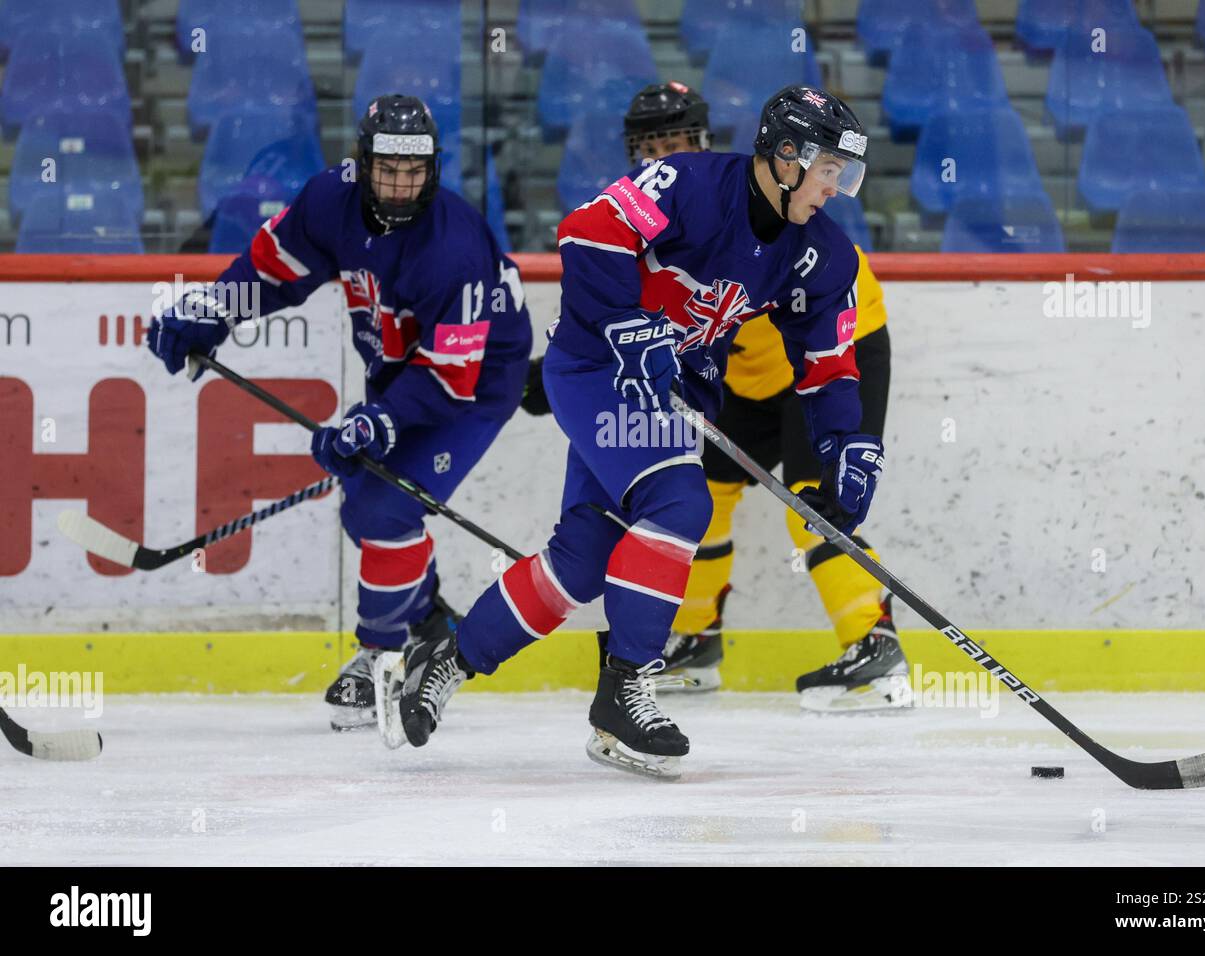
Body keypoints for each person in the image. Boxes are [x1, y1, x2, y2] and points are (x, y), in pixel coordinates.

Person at [399, 85, 880, 777]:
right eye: (829, 170)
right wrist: (628, 321)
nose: (836, 188)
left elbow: (829, 366)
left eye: (844, 174)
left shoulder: (822, 254)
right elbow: (588, 229)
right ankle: (625, 689)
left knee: (582, 561)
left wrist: (848, 446)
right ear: (783, 156)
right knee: (681, 502)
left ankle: (447, 658)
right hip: (598, 366)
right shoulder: (690, 183)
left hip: (674, 387)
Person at [145, 94, 532, 732]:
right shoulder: (331, 199)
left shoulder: (454, 246)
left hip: (475, 379)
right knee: (367, 499)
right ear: (362, 162)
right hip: (402, 363)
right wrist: (211, 313)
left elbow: (446, 379)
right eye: (388, 170)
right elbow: (271, 270)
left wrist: (376, 423)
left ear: (432, 170)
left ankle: (382, 653)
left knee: (384, 506)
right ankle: (430, 620)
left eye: (415, 173)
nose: (401, 187)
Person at [524, 82, 912, 712]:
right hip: (741, 375)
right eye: (649, 144)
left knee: (811, 501)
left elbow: (775, 322)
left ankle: (875, 641)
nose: (662, 153)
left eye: (674, 142)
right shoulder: (674, 204)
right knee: (709, 489)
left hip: (833, 355)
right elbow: (647, 302)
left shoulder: (747, 205)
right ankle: (698, 639)